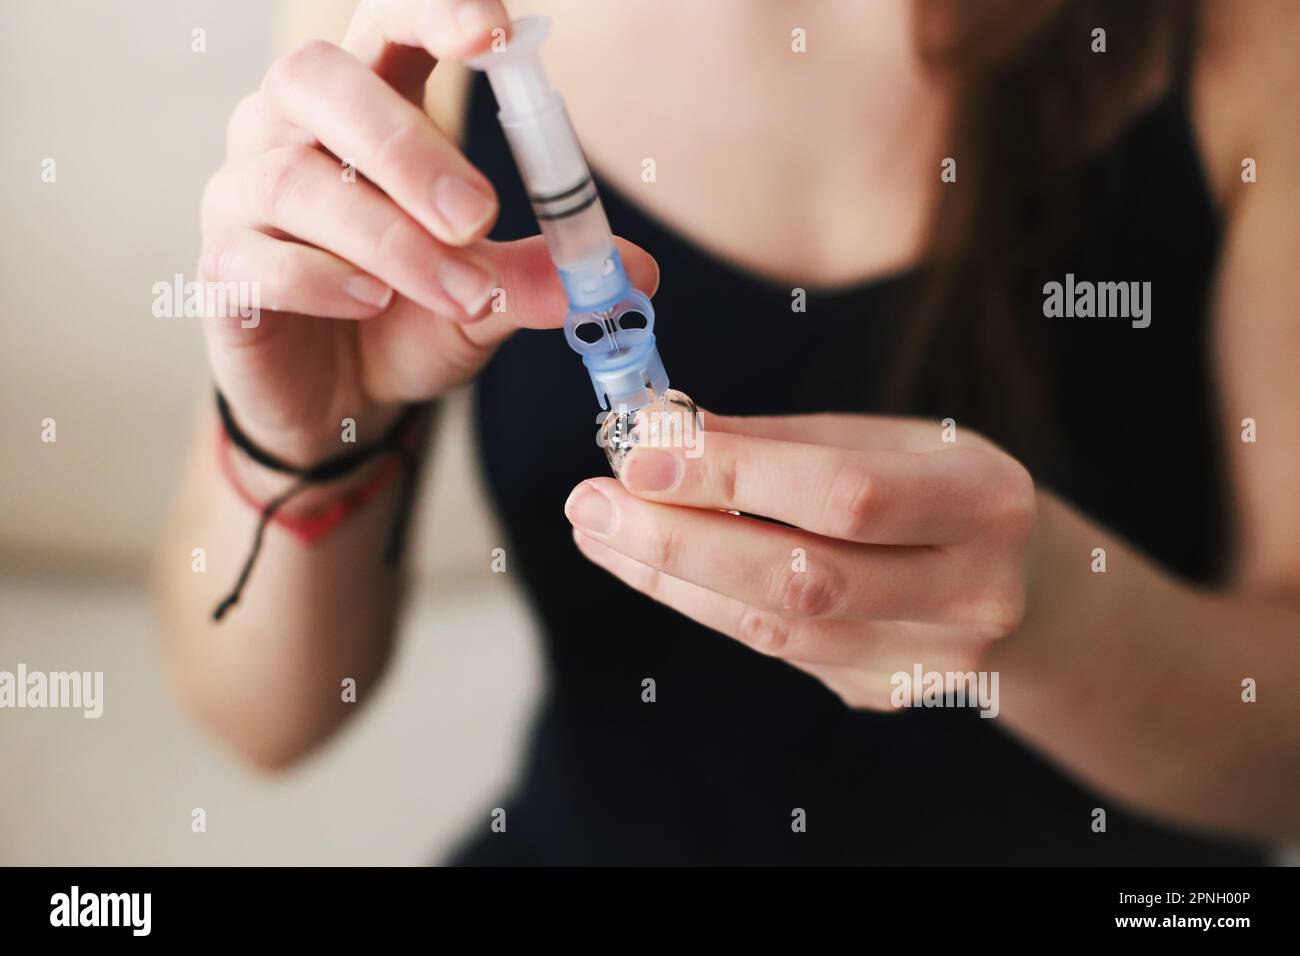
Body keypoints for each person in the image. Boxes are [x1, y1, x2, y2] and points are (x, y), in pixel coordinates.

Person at [156, 0, 1300, 864]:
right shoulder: (418, 32)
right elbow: (262, 718)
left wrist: (1044, 621)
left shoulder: (1251, 46)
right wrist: (298, 439)